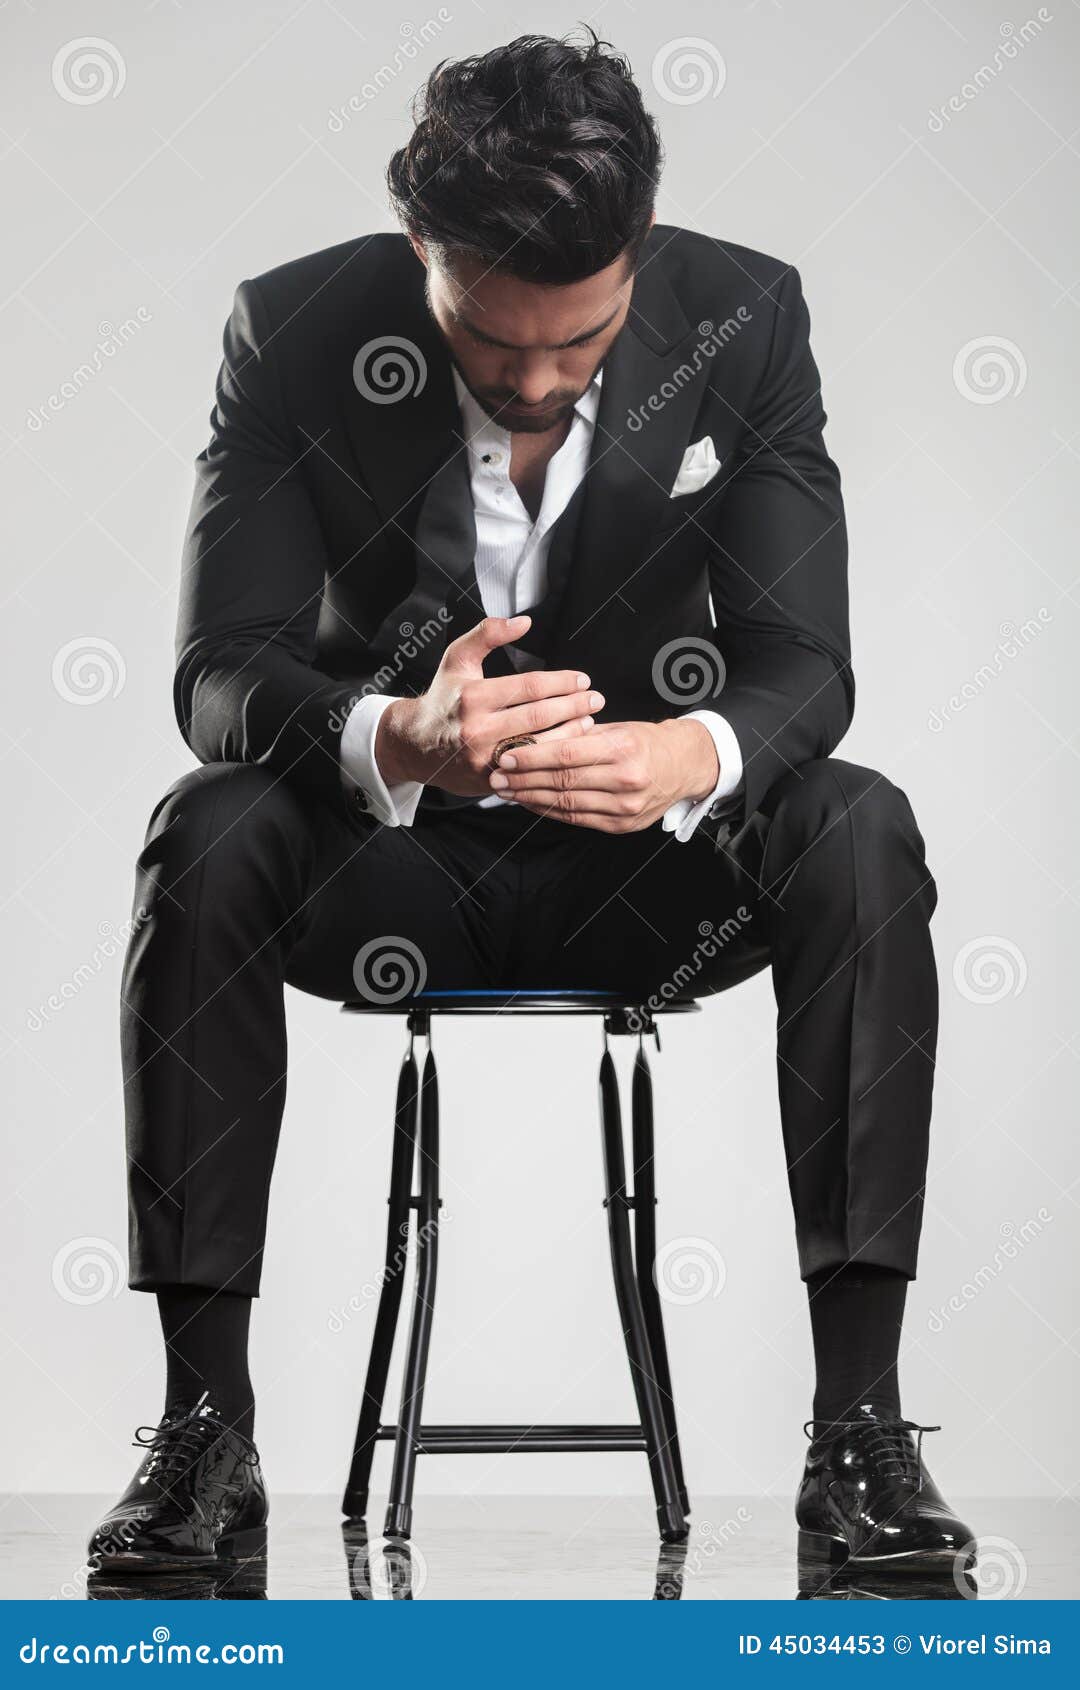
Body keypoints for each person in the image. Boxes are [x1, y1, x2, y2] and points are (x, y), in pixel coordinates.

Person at [90, 30, 974, 1578]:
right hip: (391, 875)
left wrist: (691, 755)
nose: (541, 387)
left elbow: (805, 661)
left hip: (647, 880)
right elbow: (218, 670)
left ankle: (860, 1433)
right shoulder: (295, 330)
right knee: (205, 826)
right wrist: (396, 734)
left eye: (584, 345)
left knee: (859, 821)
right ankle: (204, 1432)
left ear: (643, 249)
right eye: (494, 349)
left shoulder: (745, 317)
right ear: (417, 246)